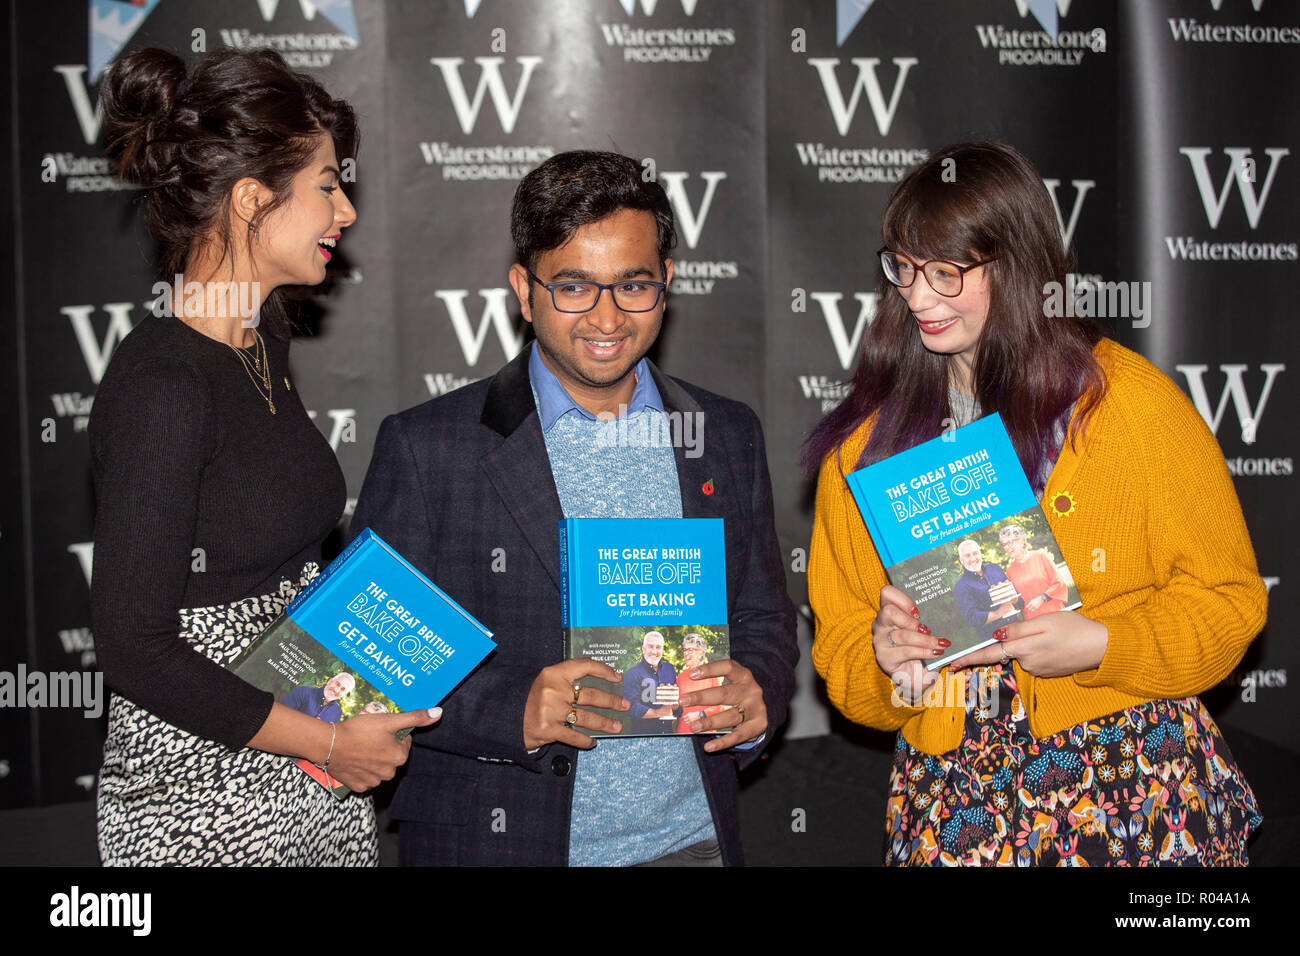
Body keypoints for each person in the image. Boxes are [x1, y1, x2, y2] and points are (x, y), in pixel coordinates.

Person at [805, 141, 1266, 866]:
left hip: (1138, 783)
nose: (919, 297)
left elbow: (1229, 600)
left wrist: (1104, 645)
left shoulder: (1126, 403)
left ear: (1017, 265)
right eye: (903, 268)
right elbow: (844, 660)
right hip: (958, 802)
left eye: (948, 272)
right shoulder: (866, 449)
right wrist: (886, 658)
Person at [350, 150, 798, 866]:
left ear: (667, 285)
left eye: (633, 286)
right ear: (524, 292)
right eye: (574, 288)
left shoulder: (725, 434)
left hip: (692, 844)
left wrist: (756, 698)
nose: (607, 317)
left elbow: (762, 617)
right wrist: (512, 710)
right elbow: (368, 663)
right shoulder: (427, 448)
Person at [91, 47, 436, 867]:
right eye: (326, 184)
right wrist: (325, 740)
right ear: (252, 198)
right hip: (201, 797)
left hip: (309, 761)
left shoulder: (263, 336)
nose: (345, 210)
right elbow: (134, 647)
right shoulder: (163, 384)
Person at [952, 539, 1021, 644]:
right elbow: (972, 618)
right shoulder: (961, 586)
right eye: (967, 555)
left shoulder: (995, 568)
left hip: (1017, 628)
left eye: (975, 553)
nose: (973, 559)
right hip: (994, 639)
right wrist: (998, 613)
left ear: (980, 554)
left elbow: (1019, 599)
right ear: (961, 560)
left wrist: (1015, 599)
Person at [999, 524, 1069, 619]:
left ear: (1022, 540)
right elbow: (1017, 601)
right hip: (1033, 621)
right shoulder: (1009, 571)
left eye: (1010, 542)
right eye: (1004, 544)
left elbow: (1059, 583)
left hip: (1055, 615)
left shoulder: (1040, 555)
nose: (1007, 547)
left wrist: (1041, 599)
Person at [623, 631, 679, 735]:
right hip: (643, 736)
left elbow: (677, 708)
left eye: (658, 647)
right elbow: (631, 707)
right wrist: (658, 712)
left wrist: (675, 706)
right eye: (650, 647)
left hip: (668, 734)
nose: (654, 651)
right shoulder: (633, 673)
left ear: (662, 649)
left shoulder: (669, 669)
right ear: (643, 649)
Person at [677, 633, 726, 733]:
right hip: (683, 732)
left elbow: (720, 707)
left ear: (701, 653)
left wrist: (699, 714)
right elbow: (676, 707)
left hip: (705, 733)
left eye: (690, 650)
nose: (686, 653)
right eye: (685, 650)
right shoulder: (680, 677)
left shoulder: (711, 676)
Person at [282, 672, 356, 723]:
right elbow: (281, 714)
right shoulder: (303, 692)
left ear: (344, 694)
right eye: (337, 684)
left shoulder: (337, 713)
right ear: (330, 681)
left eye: (343, 689)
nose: (336, 690)